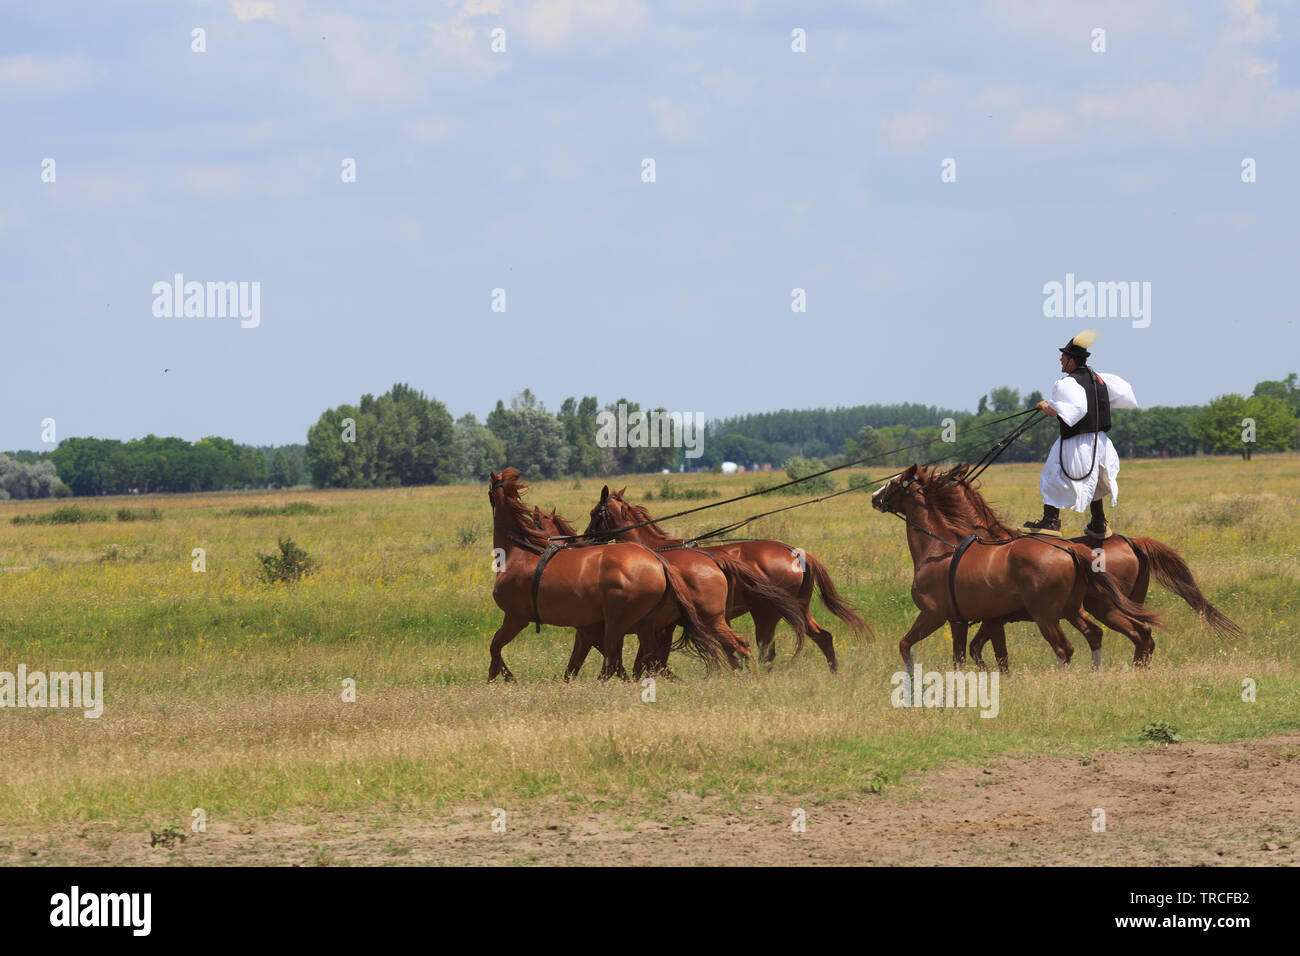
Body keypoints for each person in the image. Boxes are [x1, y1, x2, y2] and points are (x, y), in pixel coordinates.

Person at [1021, 330, 1138, 538]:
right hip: (1101, 442)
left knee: (1050, 475)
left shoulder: (1067, 383)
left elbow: (1073, 410)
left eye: (1063, 358)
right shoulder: (1100, 380)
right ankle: (1098, 522)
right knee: (1093, 478)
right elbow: (1125, 395)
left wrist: (1044, 405)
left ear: (1071, 361)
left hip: (1076, 441)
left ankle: (1050, 522)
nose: (1060, 361)